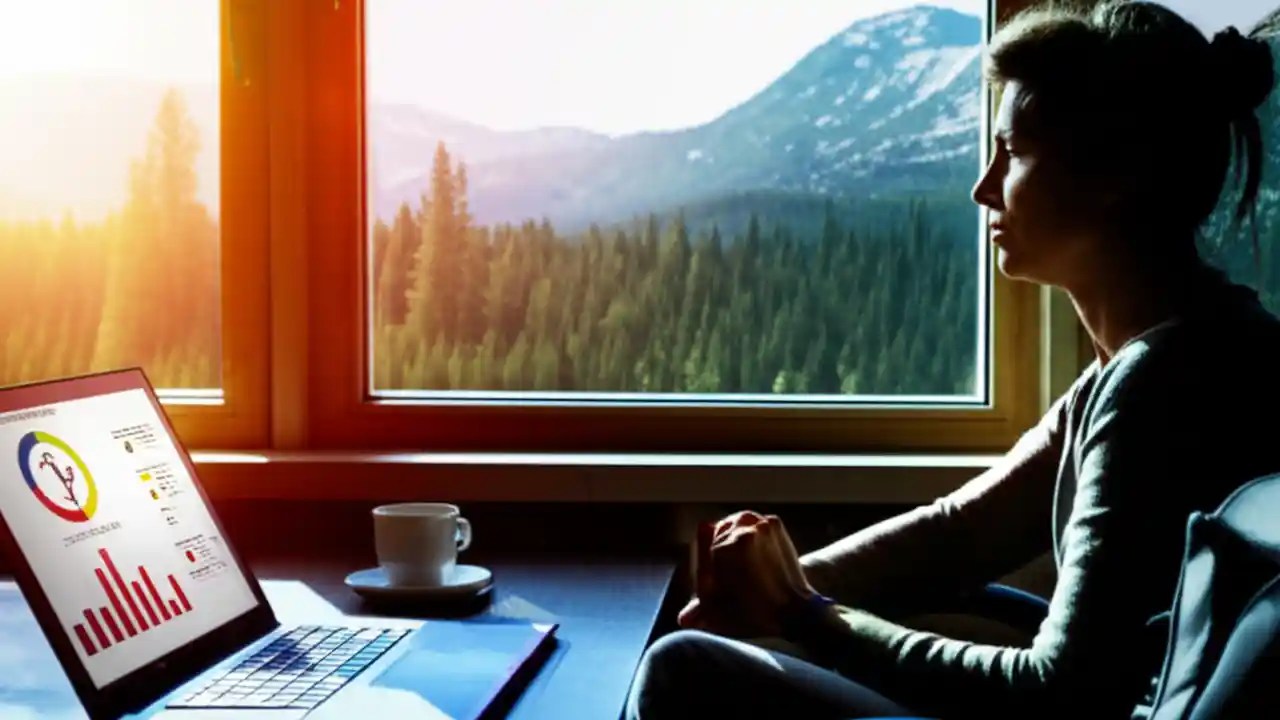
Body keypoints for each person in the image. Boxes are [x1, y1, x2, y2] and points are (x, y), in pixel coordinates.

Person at [625, 2, 1280, 718]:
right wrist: (768, 590)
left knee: (682, 672)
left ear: (1115, 175)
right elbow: (959, 534)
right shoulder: (1166, 353)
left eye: (1015, 152)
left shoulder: (1162, 383)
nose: (983, 186)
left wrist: (803, 611)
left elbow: (1052, 691)